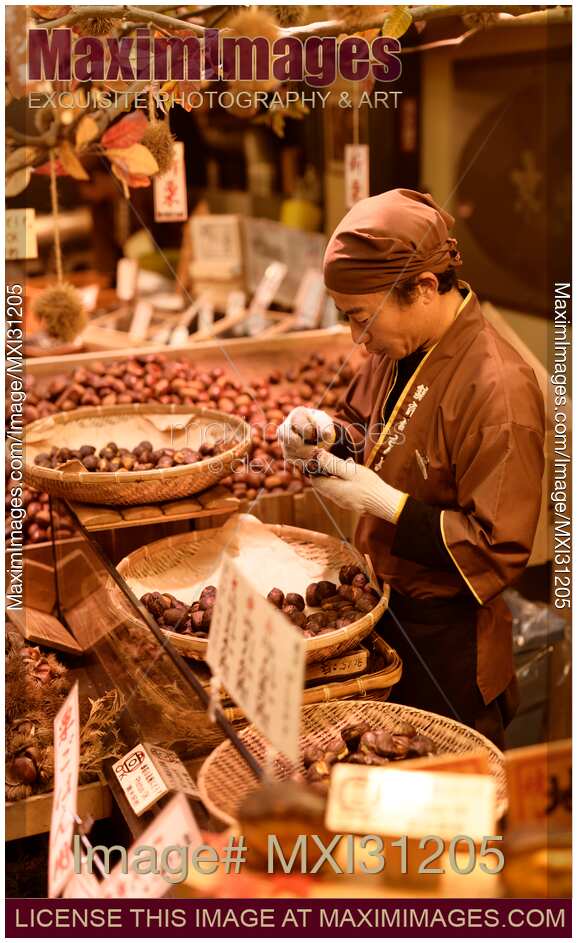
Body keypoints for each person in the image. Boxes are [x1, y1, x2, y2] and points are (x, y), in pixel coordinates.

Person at [278, 189, 545, 748]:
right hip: (380, 608)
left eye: (361, 318)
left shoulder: (499, 390)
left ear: (423, 288)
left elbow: (497, 547)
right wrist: (328, 436)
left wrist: (387, 504)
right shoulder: (398, 345)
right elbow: (364, 426)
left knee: (439, 820)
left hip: (447, 646)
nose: (357, 338)